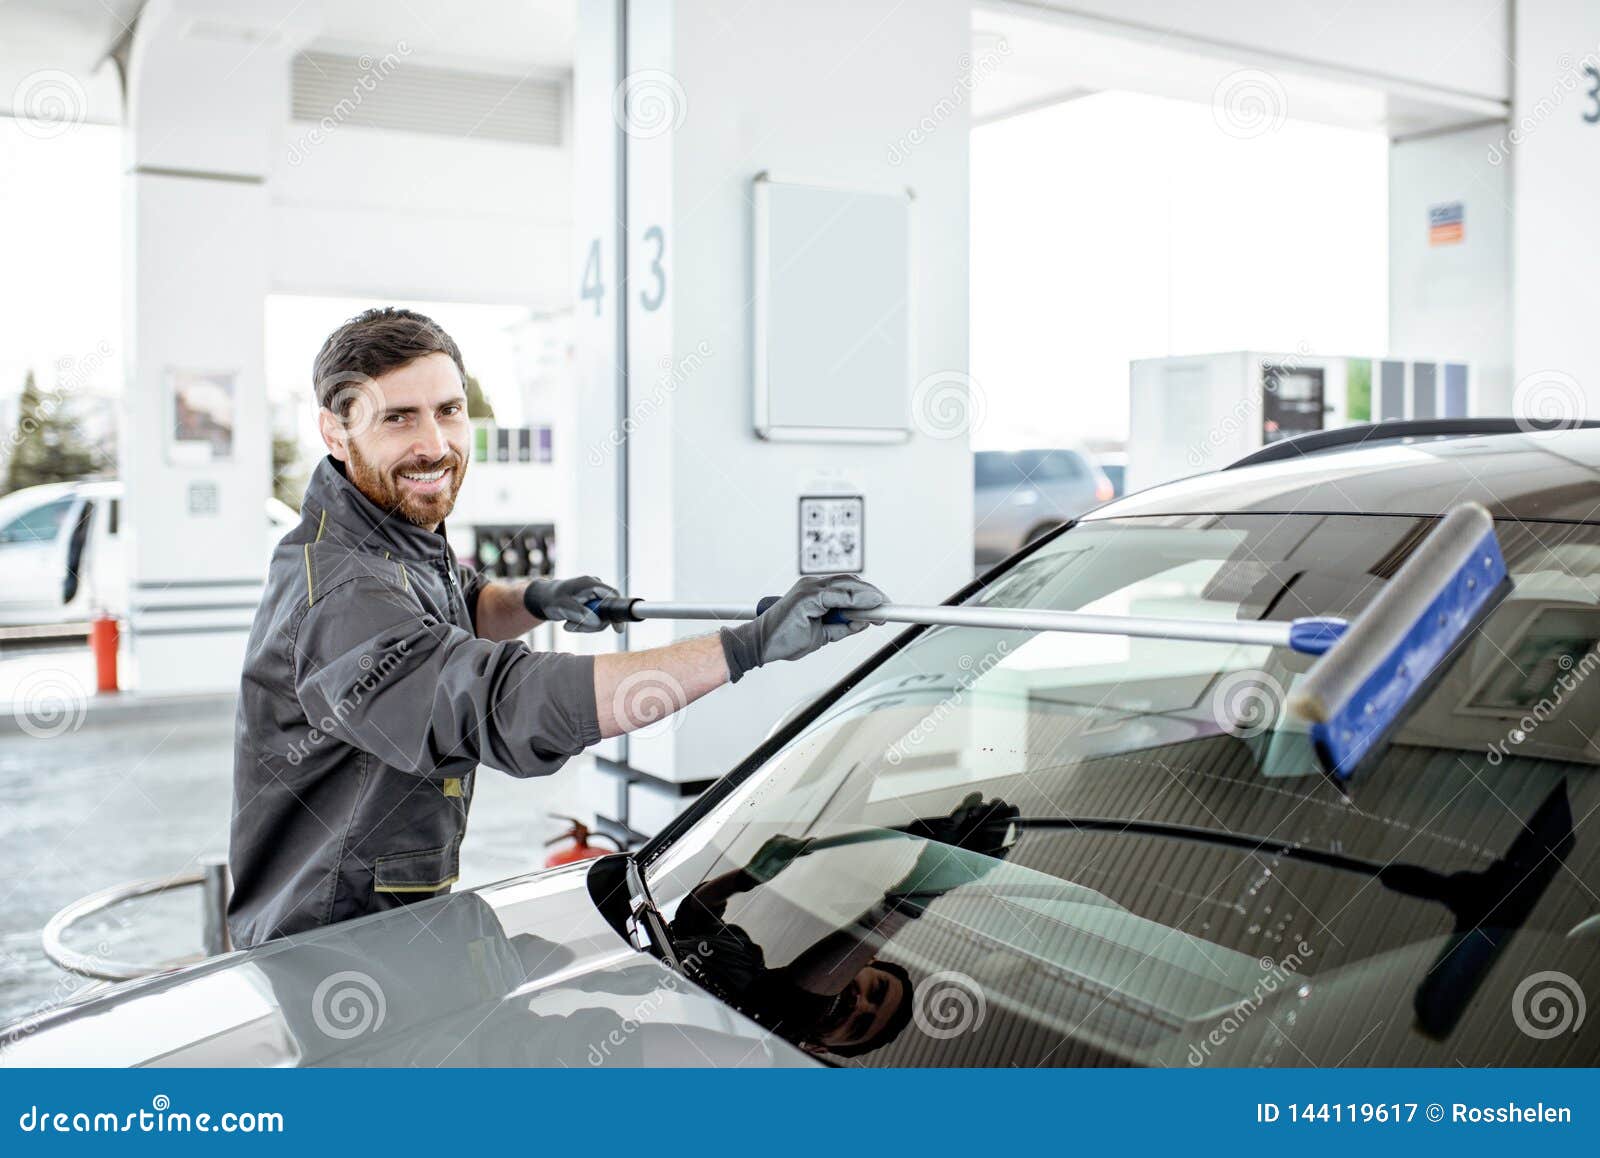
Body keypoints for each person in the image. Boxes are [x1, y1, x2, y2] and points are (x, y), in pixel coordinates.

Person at [228, 306, 887, 947]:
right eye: (398, 417)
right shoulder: (342, 593)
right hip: (327, 947)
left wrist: (536, 599)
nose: (436, 445)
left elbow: (456, 604)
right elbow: (504, 705)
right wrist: (746, 646)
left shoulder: (387, 531)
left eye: (449, 411)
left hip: (391, 921)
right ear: (335, 431)